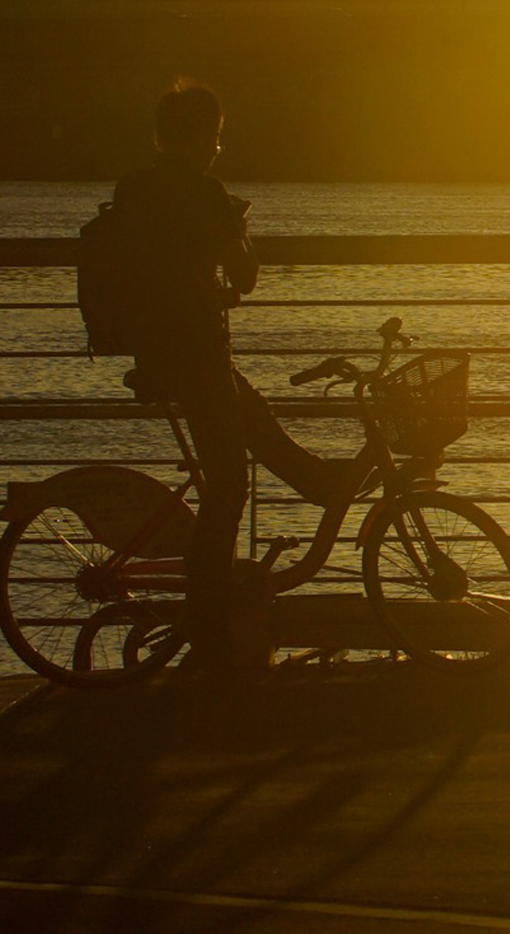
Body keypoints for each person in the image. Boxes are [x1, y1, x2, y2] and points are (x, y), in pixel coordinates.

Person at [116, 81, 367, 662]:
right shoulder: (203, 194)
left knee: (253, 415)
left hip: (159, 350)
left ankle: (320, 483)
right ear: (203, 137)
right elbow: (245, 275)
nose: (217, 150)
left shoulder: (135, 189)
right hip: (196, 353)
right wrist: (240, 231)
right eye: (218, 139)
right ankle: (207, 626)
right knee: (228, 489)